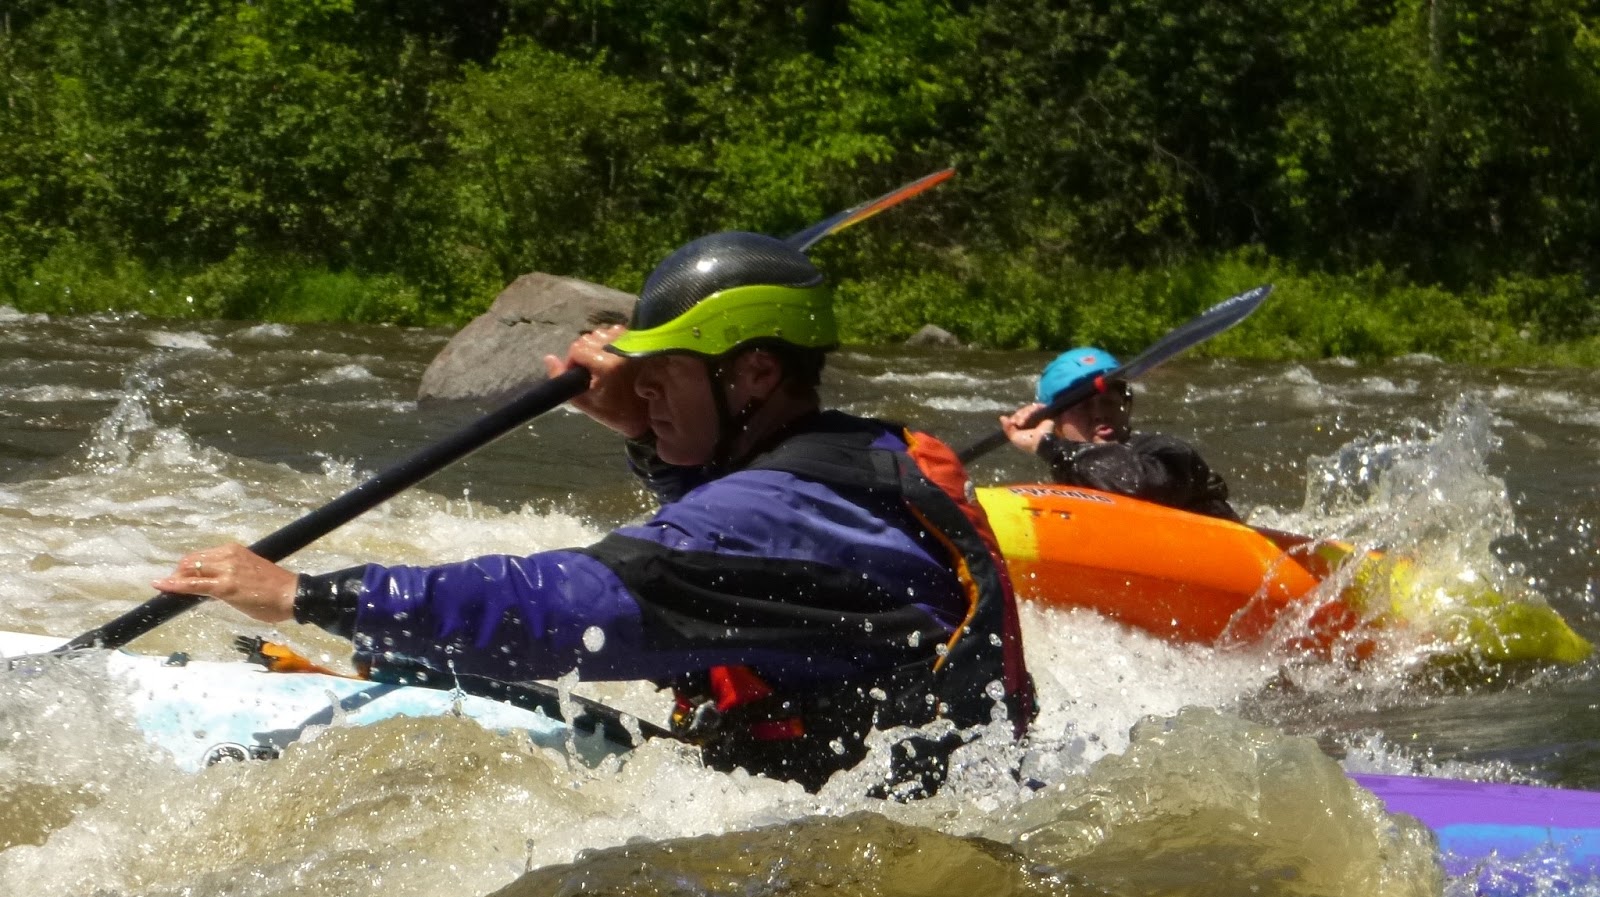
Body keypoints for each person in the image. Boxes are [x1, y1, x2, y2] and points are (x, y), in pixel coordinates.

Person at [153, 231, 1033, 793]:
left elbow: (571, 608)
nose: (641, 389)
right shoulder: (859, 458)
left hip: (871, 834)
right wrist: (648, 426)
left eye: (667, 373)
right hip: (889, 794)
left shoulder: (783, 507)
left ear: (756, 374)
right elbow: (745, 563)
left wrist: (310, 597)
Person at [998, 346, 1239, 521]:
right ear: (1055, 422)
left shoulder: (1166, 451)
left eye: (1108, 403)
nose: (1099, 414)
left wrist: (1050, 446)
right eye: (1083, 407)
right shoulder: (1069, 464)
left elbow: (1136, 484)